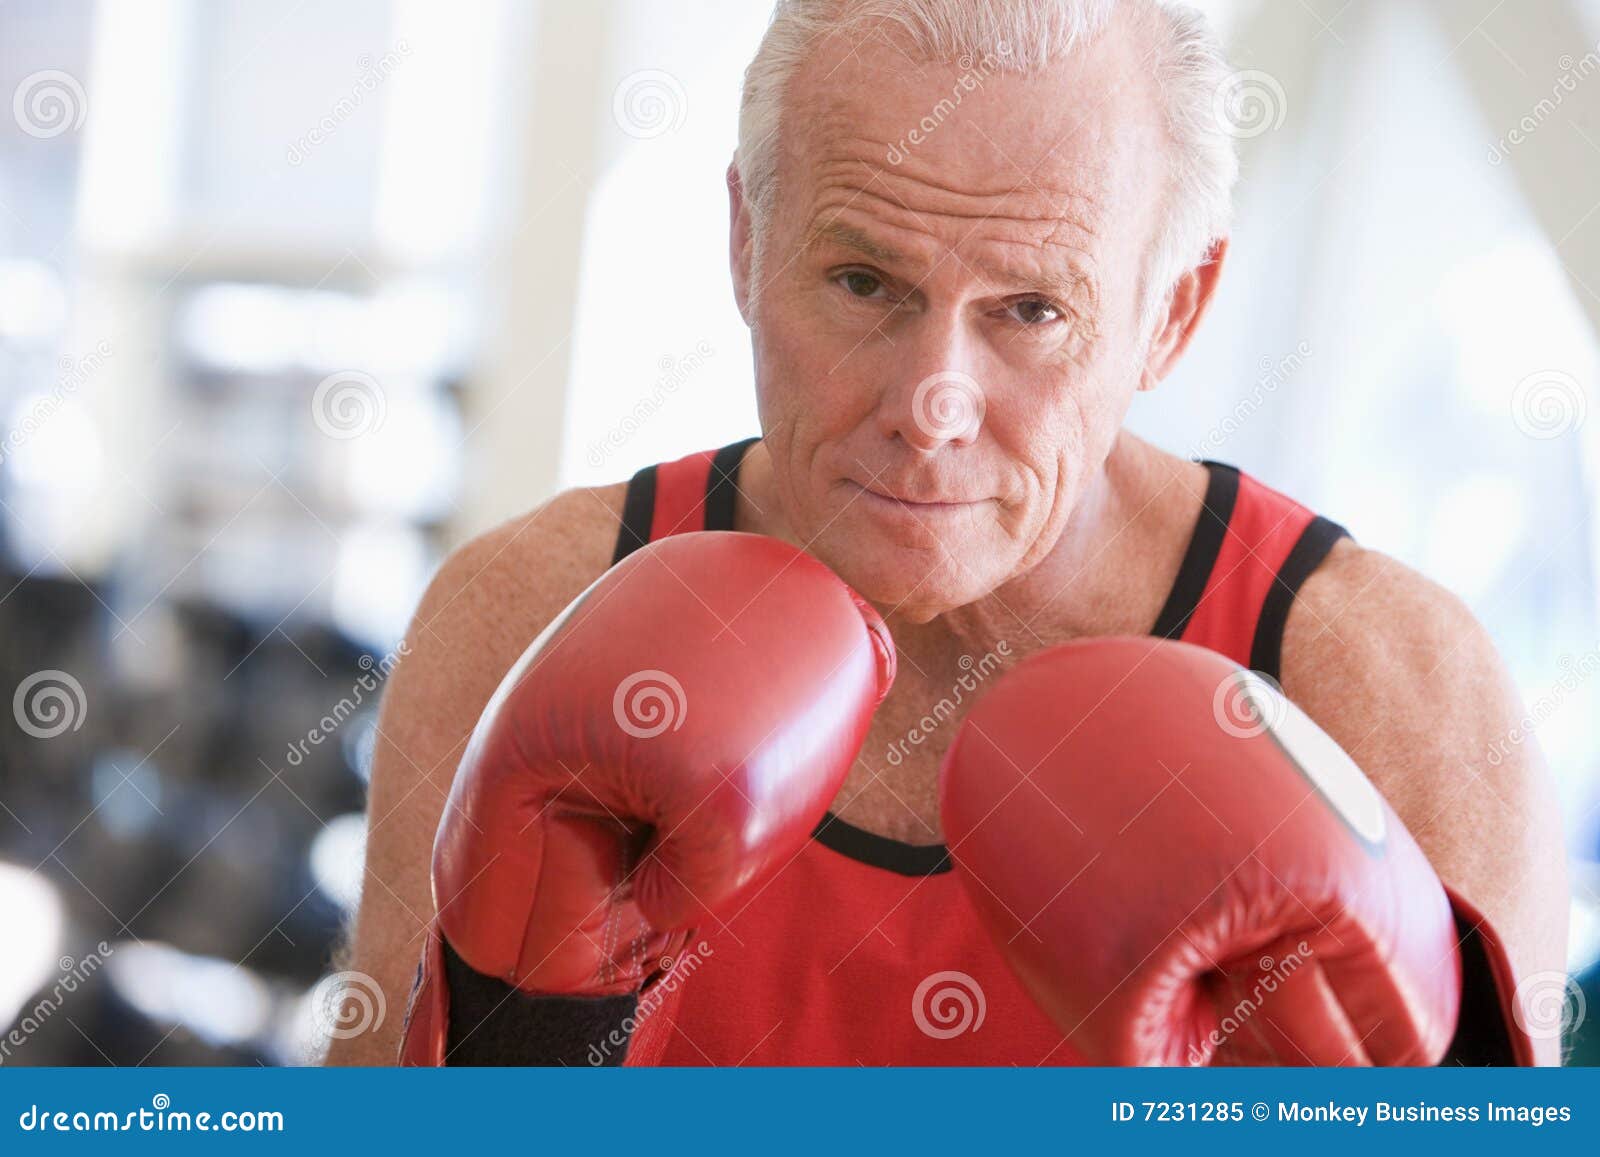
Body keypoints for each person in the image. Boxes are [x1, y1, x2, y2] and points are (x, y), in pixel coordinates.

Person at [325, 0, 1568, 1065]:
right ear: (747, 244)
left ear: (1171, 312)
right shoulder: (529, 608)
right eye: (865, 282)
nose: (930, 408)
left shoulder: (1384, 684)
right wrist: (523, 1024)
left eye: (1029, 309)